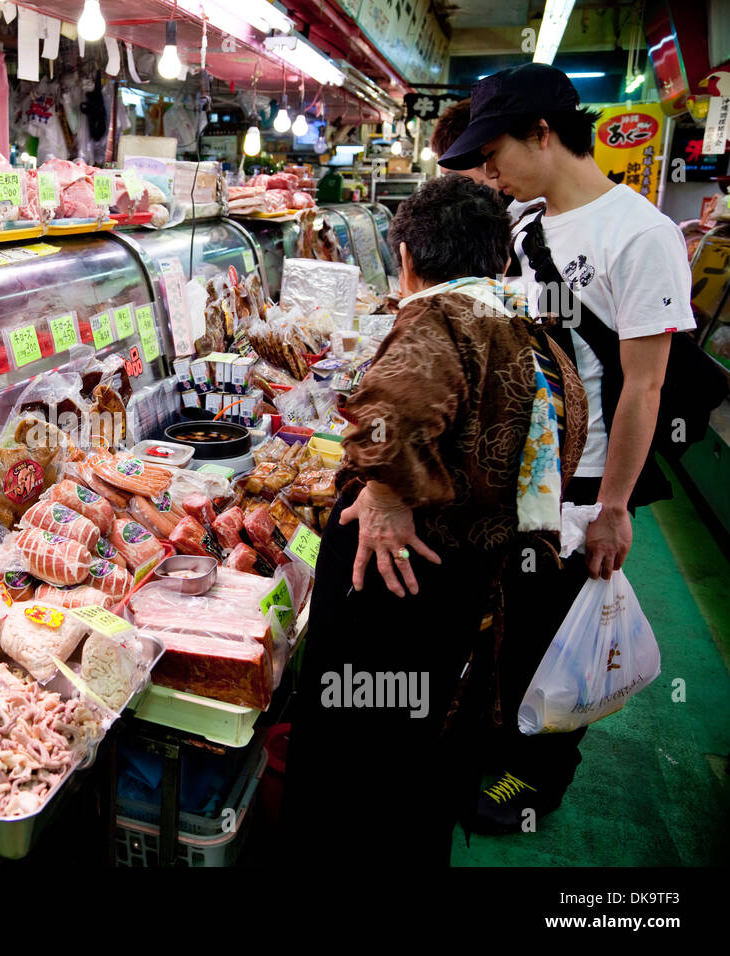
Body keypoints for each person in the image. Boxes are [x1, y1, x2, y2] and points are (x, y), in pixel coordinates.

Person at [282, 174, 587, 865]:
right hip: (466, 584)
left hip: (395, 584)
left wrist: (387, 491)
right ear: (499, 258)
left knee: (354, 750)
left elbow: (389, 412)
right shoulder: (525, 326)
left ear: (407, 254)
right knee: (427, 745)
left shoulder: (442, 315)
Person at [438, 63, 696, 832]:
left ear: (543, 133)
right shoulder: (523, 224)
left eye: (496, 152)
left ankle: (537, 779)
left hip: (587, 481)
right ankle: (499, 738)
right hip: (520, 467)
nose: (489, 170)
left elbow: (645, 388)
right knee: (508, 618)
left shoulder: (643, 236)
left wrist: (615, 506)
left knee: (558, 630)